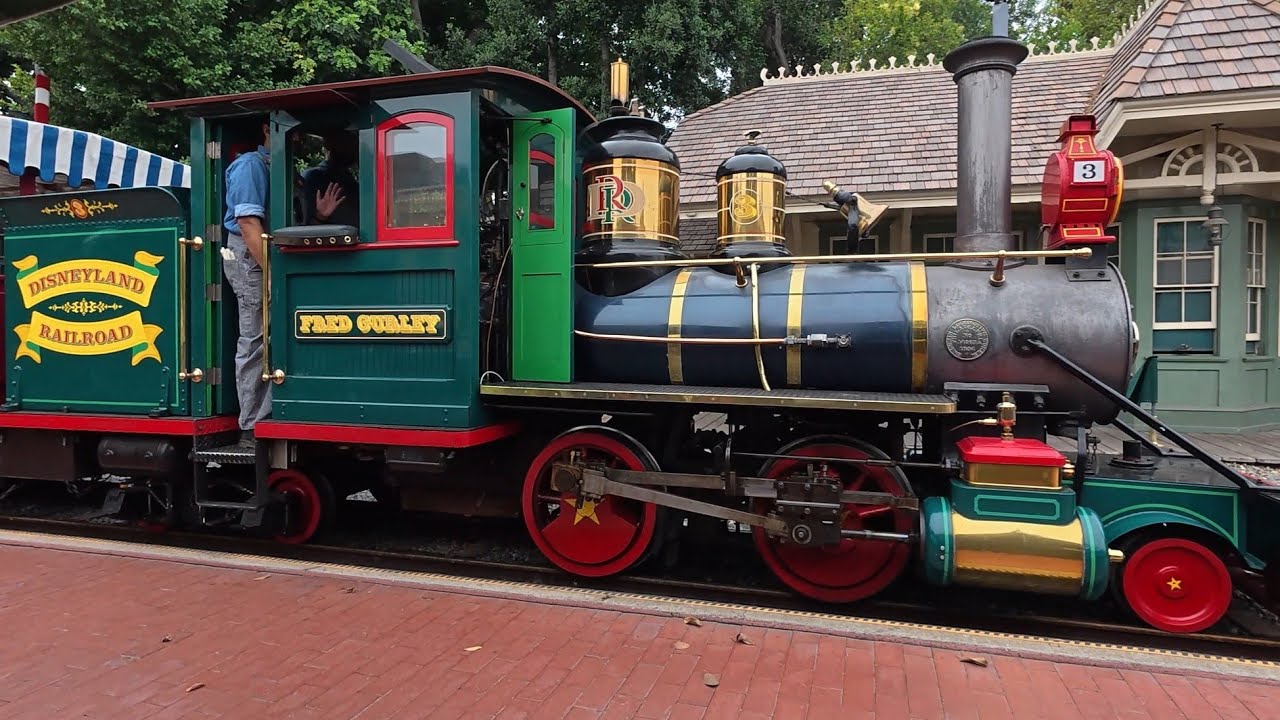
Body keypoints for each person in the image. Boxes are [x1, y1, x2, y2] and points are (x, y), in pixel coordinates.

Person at [222, 120, 273, 449]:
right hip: (249, 253)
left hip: (263, 252)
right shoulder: (251, 165)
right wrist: (270, 271)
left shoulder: (277, 167)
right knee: (255, 335)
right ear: (267, 129)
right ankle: (252, 425)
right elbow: (248, 221)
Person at [300, 131, 359, 226]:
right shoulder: (313, 177)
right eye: (343, 141)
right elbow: (303, 227)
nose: (352, 147)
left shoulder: (353, 183)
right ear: (328, 145)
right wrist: (321, 216)